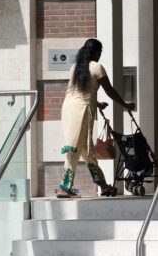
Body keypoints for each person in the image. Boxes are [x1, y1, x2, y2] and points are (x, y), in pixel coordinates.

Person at [57, 37, 135, 198]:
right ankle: (65, 187)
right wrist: (126, 105)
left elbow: (79, 92)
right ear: (97, 52)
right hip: (82, 111)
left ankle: (103, 186)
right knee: (75, 149)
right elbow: (110, 91)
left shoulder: (76, 67)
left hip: (69, 109)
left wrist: (97, 103)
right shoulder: (97, 67)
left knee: (86, 149)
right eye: (100, 52)